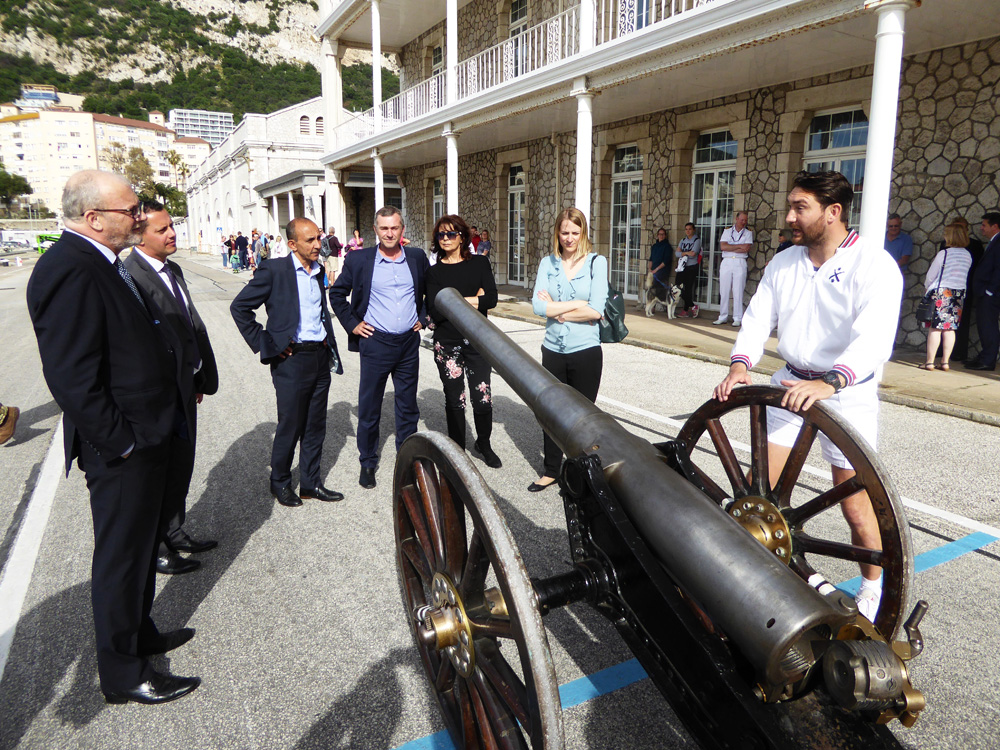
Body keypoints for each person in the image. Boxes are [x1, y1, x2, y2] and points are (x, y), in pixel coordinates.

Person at [26, 170, 200, 704]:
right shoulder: (68, 269)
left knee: (143, 549)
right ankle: (124, 674)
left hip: (147, 435)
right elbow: (73, 378)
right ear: (94, 218)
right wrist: (120, 442)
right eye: (132, 210)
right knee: (121, 560)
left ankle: (140, 634)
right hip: (123, 448)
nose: (142, 217)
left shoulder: (104, 261)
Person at [713, 170, 902, 622]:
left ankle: (872, 592)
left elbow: (874, 340)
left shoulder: (873, 266)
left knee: (857, 507)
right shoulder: (785, 262)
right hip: (789, 383)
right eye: (791, 207)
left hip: (845, 393)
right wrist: (741, 364)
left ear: (833, 212)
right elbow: (758, 319)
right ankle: (756, 580)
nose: (789, 217)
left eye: (800, 208)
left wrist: (831, 382)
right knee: (760, 493)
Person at [125, 200, 220, 575]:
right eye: (161, 229)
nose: (172, 233)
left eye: (171, 226)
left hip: (184, 387)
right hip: (160, 395)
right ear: (139, 235)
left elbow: (187, 324)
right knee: (159, 474)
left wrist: (196, 377)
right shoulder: (130, 275)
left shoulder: (172, 268)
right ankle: (159, 549)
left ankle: (176, 532)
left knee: (181, 465)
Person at [231, 217, 345, 507]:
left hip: (320, 356)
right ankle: (279, 482)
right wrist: (266, 343)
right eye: (311, 240)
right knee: (291, 425)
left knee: (316, 425)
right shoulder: (275, 270)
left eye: (319, 238)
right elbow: (240, 307)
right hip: (291, 360)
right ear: (292, 244)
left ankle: (310, 483)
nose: (318, 245)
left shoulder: (319, 270)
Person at [330, 206, 429, 490]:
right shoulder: (359, 259)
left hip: (408, 343)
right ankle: (368, 461)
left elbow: (428, 291)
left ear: (402, 230)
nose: (389, 233)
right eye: (384, 228)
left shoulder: (416, 257)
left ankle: (407, 460)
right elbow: (336, 293)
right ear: (375, 230)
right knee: (370, 406)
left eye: (394, 228)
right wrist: (353, 324)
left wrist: (423, 318)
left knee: (408, 406)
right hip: (376, 343)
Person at [529, 207, 608, 492]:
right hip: (552, 350)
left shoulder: (597, 263)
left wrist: (558, 312)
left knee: (583, 417)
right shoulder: (547, 264)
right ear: (557, 233)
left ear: (583, 233)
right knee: (551, 413)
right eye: (565, 232)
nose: (570, 238)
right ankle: (551, 470)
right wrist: (577, 306)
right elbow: (538, 306)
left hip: (585, 351)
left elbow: (597, 310)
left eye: (575, 232)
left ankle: (580, 471)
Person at [425, 214, 501, 468]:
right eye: (441, 235)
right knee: (454, 398)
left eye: (451, 234)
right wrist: (473, 299)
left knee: (482, 397)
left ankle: (484, 444)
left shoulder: (479, 264)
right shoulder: (434, 272)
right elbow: (435, 311)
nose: (446, 238)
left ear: (462, 237)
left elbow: (491, 298)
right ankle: (457, 447)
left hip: (478, 341)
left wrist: (455, 301)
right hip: (447, 343)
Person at [919, 222, 973, 371]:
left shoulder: (945, 253)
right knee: (950, 329)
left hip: (942, 292)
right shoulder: (968, 255)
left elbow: (931, 275)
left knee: (935, 329)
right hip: (958, 293)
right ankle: (945, 362)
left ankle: (929, 362)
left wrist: (927, 287)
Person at [939, 216, 984, 362]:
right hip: (946, 287)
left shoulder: (975, 246)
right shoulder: (945, 245)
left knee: (962, 322)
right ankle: (941, 351)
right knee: (940, 321)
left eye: (962, 227)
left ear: (967, 229)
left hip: (966, 287)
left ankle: (959, 352)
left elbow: (978, 267)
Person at [966, 212, 1000, 371]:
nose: (981, 228)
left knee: (988, 327)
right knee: (984, 326)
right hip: (985, 293)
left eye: (984, 225)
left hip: (990, 295)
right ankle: (985, 356)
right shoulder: (994, 242)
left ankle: (988, 360)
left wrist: (989, 291)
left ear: (995, 226)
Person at [714, 211, 753, 326]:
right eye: (742, 220)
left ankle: (737, 317)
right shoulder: (727, 231)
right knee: (724, 290)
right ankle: (723, 316)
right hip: (726, 261)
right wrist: (738, 246)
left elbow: (746, 248)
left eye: (745, 220)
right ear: (736, 219)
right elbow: (723, 246)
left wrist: (731, 247)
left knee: (738, 290)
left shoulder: (748, 233)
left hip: (740, 261)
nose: (744, 222)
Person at [675, 222, 701, 317]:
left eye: (690, 229)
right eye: (686, 229)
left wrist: (682, 252)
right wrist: (686, 253)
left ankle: (685, 310)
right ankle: (693, 306)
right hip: (682, 267)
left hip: (692, 267)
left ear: (693, 230)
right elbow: (676, 253)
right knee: (678, 287)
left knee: (688, 288)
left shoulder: (697, 240)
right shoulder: (682, 240)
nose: (688, 231)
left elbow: (693, 253)